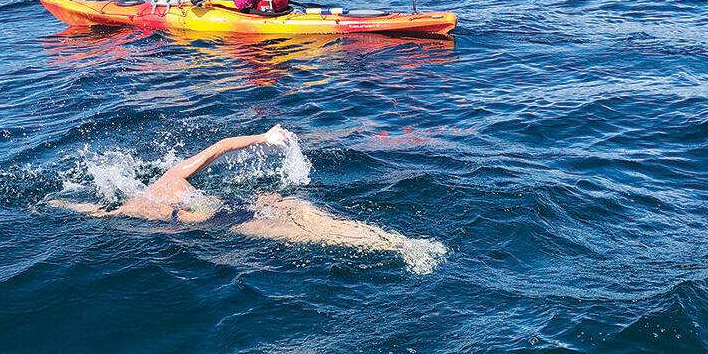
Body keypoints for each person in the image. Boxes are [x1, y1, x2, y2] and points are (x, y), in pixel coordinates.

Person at [47, 126, 446, 272]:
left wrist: (57, 204)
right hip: (244, 205)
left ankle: (406, 249)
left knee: (316, 235)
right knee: (322, 222)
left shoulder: (131, 207)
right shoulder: (172, 176)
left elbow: (93, 212)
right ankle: (401, 242)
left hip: (229, 222)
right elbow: (220, 147)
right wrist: (265, 137)